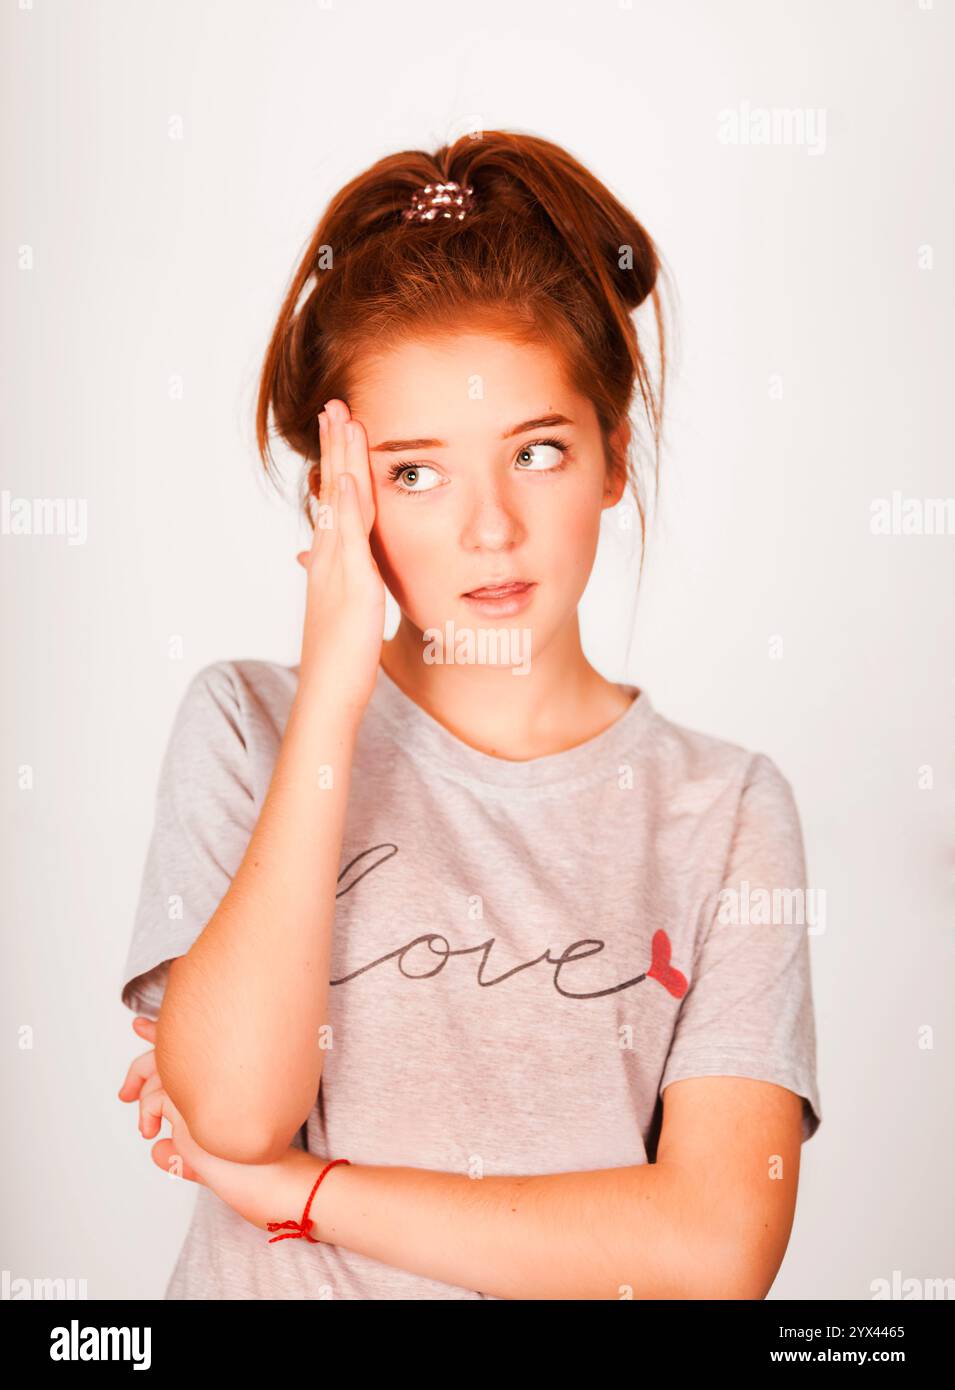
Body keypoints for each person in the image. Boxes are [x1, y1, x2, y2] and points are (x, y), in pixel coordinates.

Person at [117, 129, 821, 1300]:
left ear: (609, 453)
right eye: (415, 473)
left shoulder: (726, 810)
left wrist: (300, 1191)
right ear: (340, 495)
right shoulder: (249, 726)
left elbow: (712, 1250)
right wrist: (335, 692)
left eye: (535, 451)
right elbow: (238, 1106)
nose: (489, 529)